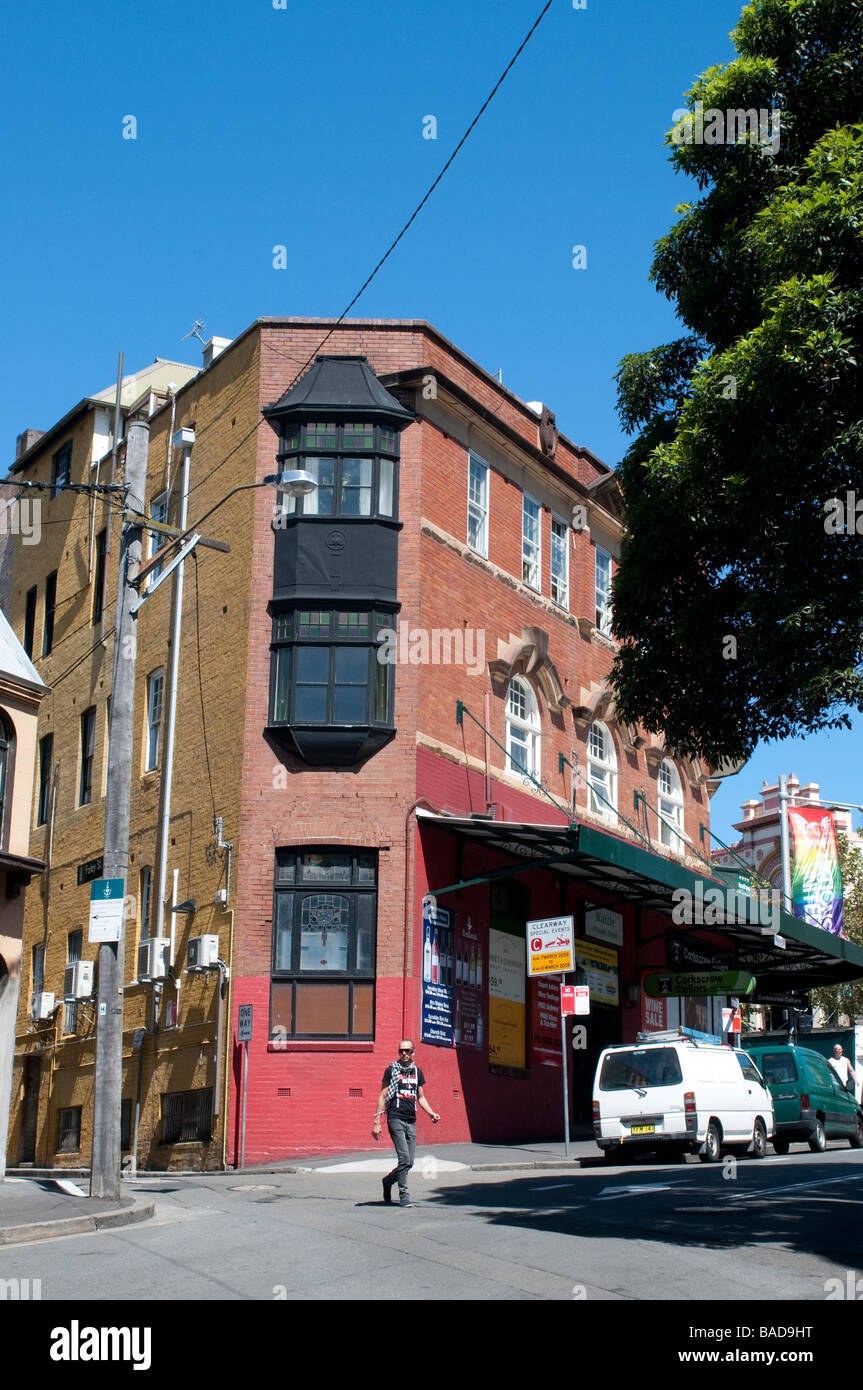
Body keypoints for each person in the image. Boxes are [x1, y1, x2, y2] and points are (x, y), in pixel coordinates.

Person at [372, 1040, 440, 1207]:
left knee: (409, 1162)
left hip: (411, 1120)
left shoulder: (417, 1072)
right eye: (401, 1051)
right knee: (404, 1158)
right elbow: (382, 1096)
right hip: (395, 1117)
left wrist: (431, 1113)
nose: (404, 1053)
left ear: (413, 1053)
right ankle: (404, 1196)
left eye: (407, 1051)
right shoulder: (392, 1070)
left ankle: (388, 1181)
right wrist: (377, 1122)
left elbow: (421, 1097)